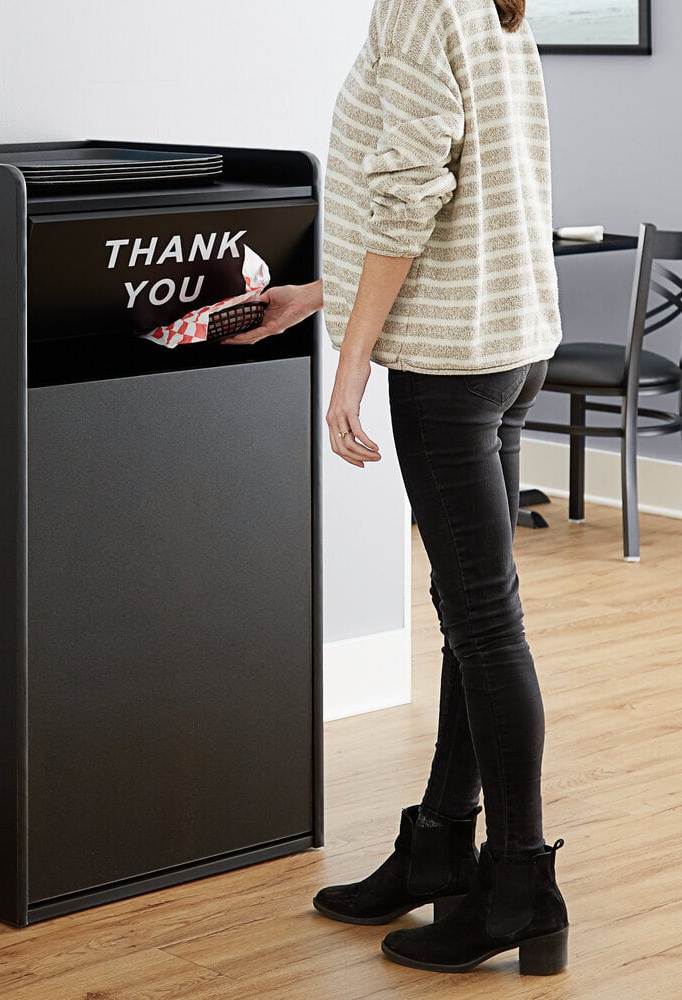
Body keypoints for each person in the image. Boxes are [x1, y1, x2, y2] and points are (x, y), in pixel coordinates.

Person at [222, 0, 569, 977]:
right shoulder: (492, 5)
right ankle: (442, 845)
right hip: (507, 346)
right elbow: (464, 197)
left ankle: (522, 885)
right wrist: (314, 295)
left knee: (482, 623)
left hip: (451, 368)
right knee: (475, 617)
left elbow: (412, 191)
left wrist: (351, 362)